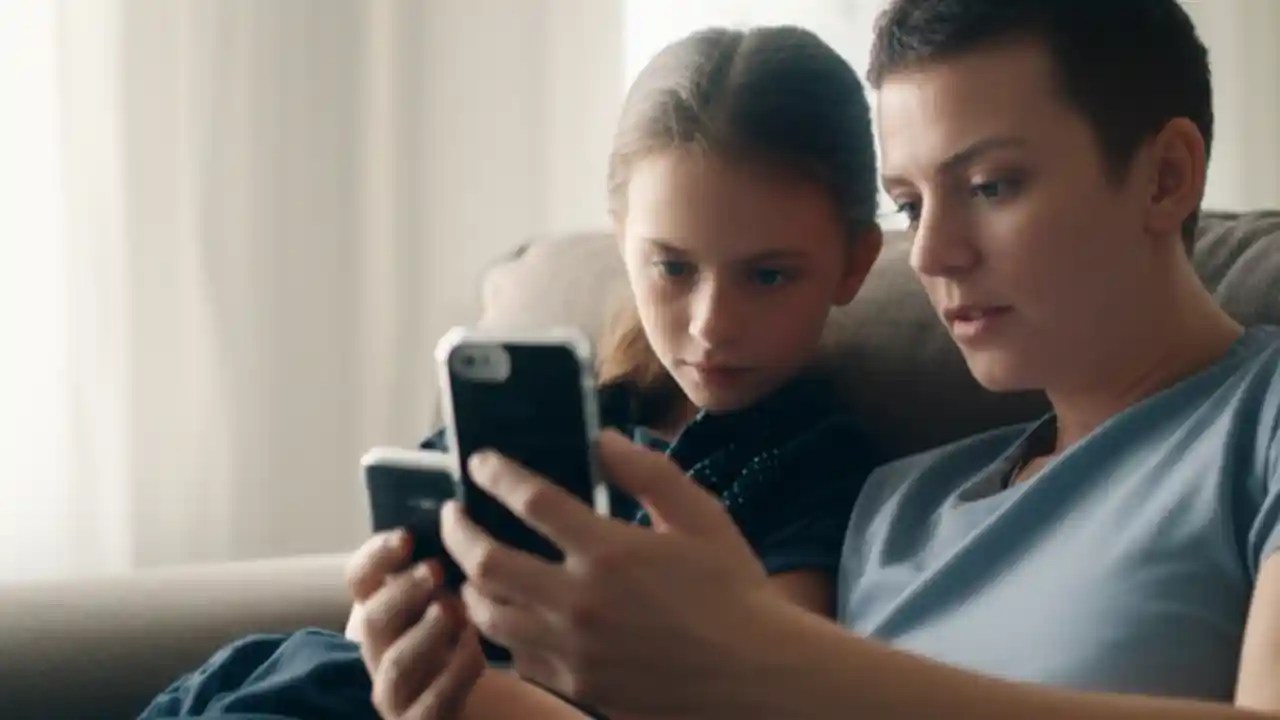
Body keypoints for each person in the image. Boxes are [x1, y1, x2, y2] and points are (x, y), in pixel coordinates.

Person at [398, 1, 1280, 718]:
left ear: (1166, 176)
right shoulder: (895, 507)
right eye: (910, 204)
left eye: (990, 186)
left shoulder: (1258, 423)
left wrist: (767, 660)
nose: (931, 254)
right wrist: (469, 694)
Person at [140, 25, 884, 720]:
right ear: (622, 239)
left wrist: (458, 691)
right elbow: (380, 627)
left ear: (854, 262)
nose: (711, 324)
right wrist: (385, 614)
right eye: (672, 267)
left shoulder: (819, 474)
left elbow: (755, 694)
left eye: (768, 276)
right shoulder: (553, 412)